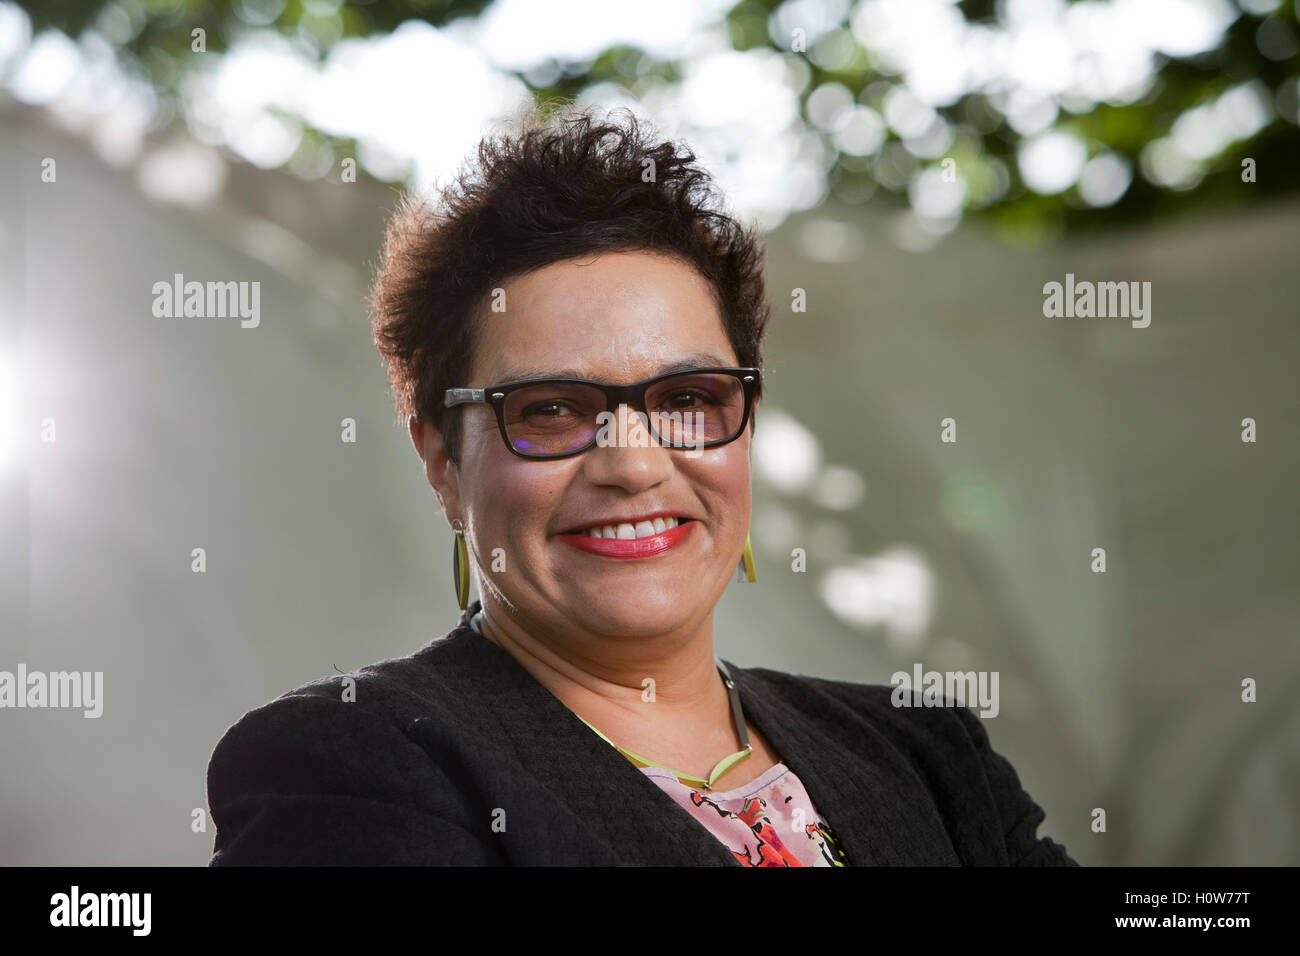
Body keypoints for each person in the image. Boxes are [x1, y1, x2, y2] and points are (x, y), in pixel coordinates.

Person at [205, 105, 1076, 867]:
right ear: (441, 460)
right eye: (550, 408)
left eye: (688, 398)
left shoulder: (926, 753)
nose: (633, 463)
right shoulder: (356, 766)